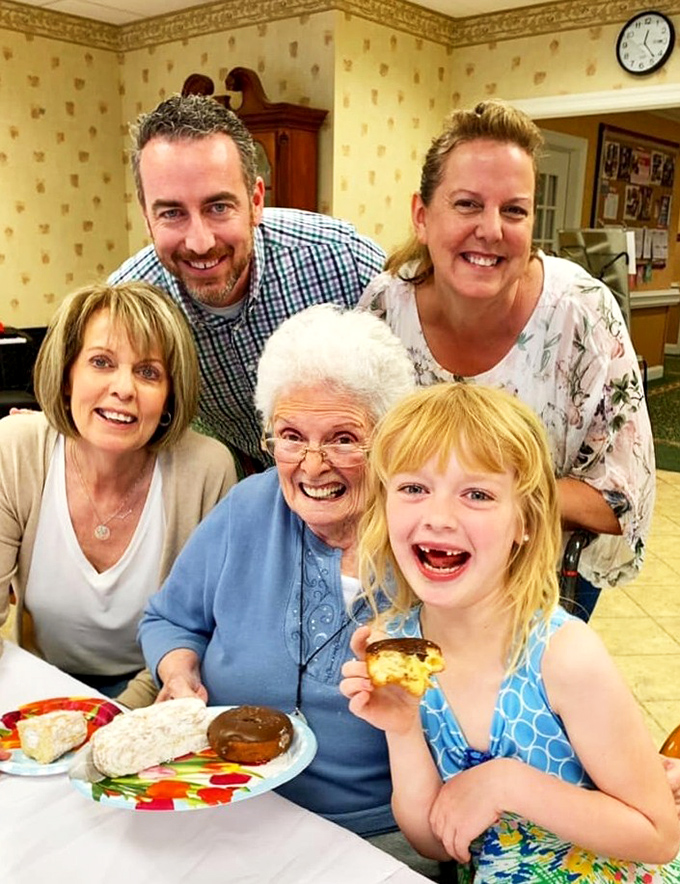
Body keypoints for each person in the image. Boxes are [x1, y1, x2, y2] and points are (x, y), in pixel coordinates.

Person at [341, 382, 680, 882]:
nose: (438, 517)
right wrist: (404, 728)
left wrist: (507, 784)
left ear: (524, 520)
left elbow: (658, 835)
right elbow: (436, 840)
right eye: (413, 488)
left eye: (476, 493)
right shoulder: (403, 647)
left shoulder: (562, 656)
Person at [359, 99, 654, 619]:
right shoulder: (384, 308)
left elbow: (623, 499)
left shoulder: (581, 316)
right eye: (468, 204)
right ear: (422, 217)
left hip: (536, 587)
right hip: (407, 579)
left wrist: (487, 498)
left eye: (514, 209)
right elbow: (358, 451)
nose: (492, 229)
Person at [138, 305, 416, 838]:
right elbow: (170, 619)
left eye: (342, 438)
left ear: (388, 440)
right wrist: (178, 672)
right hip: (225, 800)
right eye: (290, 436)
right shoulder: (249, 507)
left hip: (376, 834)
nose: (312, 466)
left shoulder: (424, 537)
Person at [108, 94, 385, 472]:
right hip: (242, 479)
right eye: (172, 213)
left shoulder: (343, 258)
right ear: (146, 216)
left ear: (256, 200)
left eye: (218, 207)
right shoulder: (130, 301)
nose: (200, 242)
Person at [0, 281, 237, 708]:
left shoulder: (206, 469)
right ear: (68, 376)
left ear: (168, 397)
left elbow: (201, 626)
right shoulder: (15, 450)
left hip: (162, 696)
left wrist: (117, 718)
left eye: (148, 372)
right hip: (43, 687)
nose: (124, 388)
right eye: (101, 362)